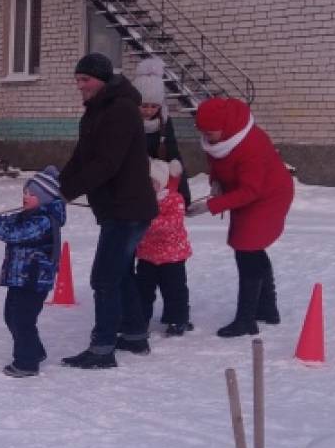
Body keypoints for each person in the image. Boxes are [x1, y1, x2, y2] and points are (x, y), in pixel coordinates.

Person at [58, 53, 159, 369]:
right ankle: (134, 334)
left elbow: (106, 163)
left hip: (126, 209)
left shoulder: (121, 111)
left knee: (104, 278)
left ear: (101, 79)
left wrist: (66, 192)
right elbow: (81, 157)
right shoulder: (96, 110)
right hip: (118, 208)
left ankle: (102, 349)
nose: (80, 86)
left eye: (85, 79)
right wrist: (57, 186)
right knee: (121, 273)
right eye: (77, 80)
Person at [186, 97, 293, 337]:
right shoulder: (219, 139)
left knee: (247, 247)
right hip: (246, 191)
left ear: (226, 127)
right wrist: (216, 184)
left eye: (210, 132)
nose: (207, 137)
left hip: (268, 195)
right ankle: (267, 309)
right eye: (203, 131)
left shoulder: (250, 145)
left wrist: (210, 206)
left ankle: (246, 320)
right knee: (249, 248)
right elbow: (217, 162)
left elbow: (251, 190)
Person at [0, 166, 67, 378]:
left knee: (22, 319)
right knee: (11, 316)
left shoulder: (43, 221)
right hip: (19, 278)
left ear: (45, 199)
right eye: (25, 192)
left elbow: (14, 234)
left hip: (33, 280)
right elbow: (5, 222)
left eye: (32, 195)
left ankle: (26, 363)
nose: (26, 197)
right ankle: (35, 351)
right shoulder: (28, 214)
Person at [135, 159, 193, 337]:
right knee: (143, 290)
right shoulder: (140, 201)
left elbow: (172, 223)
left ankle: (178, 319)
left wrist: (147, 221)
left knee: (174, 290)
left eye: (152, 182)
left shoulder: (174, 199)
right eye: (145, 182)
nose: (149, 186)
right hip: (147, 256)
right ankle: (140, 319)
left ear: (161, 183)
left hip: (172, 256)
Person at [132, 56, 192, 205]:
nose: (149, 111)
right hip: (131, 186)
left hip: (160, 187)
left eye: (154, 106)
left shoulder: (164, 123)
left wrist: (184, 196)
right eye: (144, 105)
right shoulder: (127, 122)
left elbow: (174, 156)